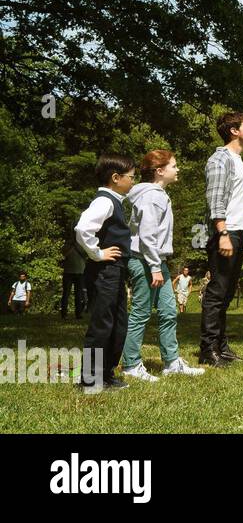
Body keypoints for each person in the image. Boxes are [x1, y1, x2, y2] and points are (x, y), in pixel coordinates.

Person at [122, 150, 205, 381]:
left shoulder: (157, 194)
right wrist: (155, 267)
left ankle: (171, 362)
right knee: (141, 312)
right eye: (174, 166)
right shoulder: (151, 196)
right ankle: (131, 365)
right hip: (145, 261)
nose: (178, 170)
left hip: (157, 262)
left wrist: (159, 265)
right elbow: (147, 235)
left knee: (169, 312)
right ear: (159, 171)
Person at [74, 154, 136, 393]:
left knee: (118, 322)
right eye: (131, 177)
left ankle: (106, 373)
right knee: (103, 323)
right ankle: (90, 379)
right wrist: (97, 254)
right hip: (104, 271)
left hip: (115, 271)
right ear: (115, 177)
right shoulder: (105, 201)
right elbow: (83, 228)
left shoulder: (115, 201)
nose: (133, 181)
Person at [201, 111, 243, 367]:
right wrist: (223, 233)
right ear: (234, 131)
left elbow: (237, 202)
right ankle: (207, 349)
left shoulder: (238, 159)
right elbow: (215, 199)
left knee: (227, 293)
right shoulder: (220, 160)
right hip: (225, 232)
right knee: (217, 292)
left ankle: (221, 346)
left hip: (236, 231)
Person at [60, 233, 88, 319]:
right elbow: (63, 253)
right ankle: (64, 314)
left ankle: (78, 314)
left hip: (80, 272)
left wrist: (77, 245)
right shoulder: (68, 243)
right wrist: (71, 245)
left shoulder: (83, 243)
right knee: (66, 293)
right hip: (68, 271)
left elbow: (86, 254)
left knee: (78, 294)